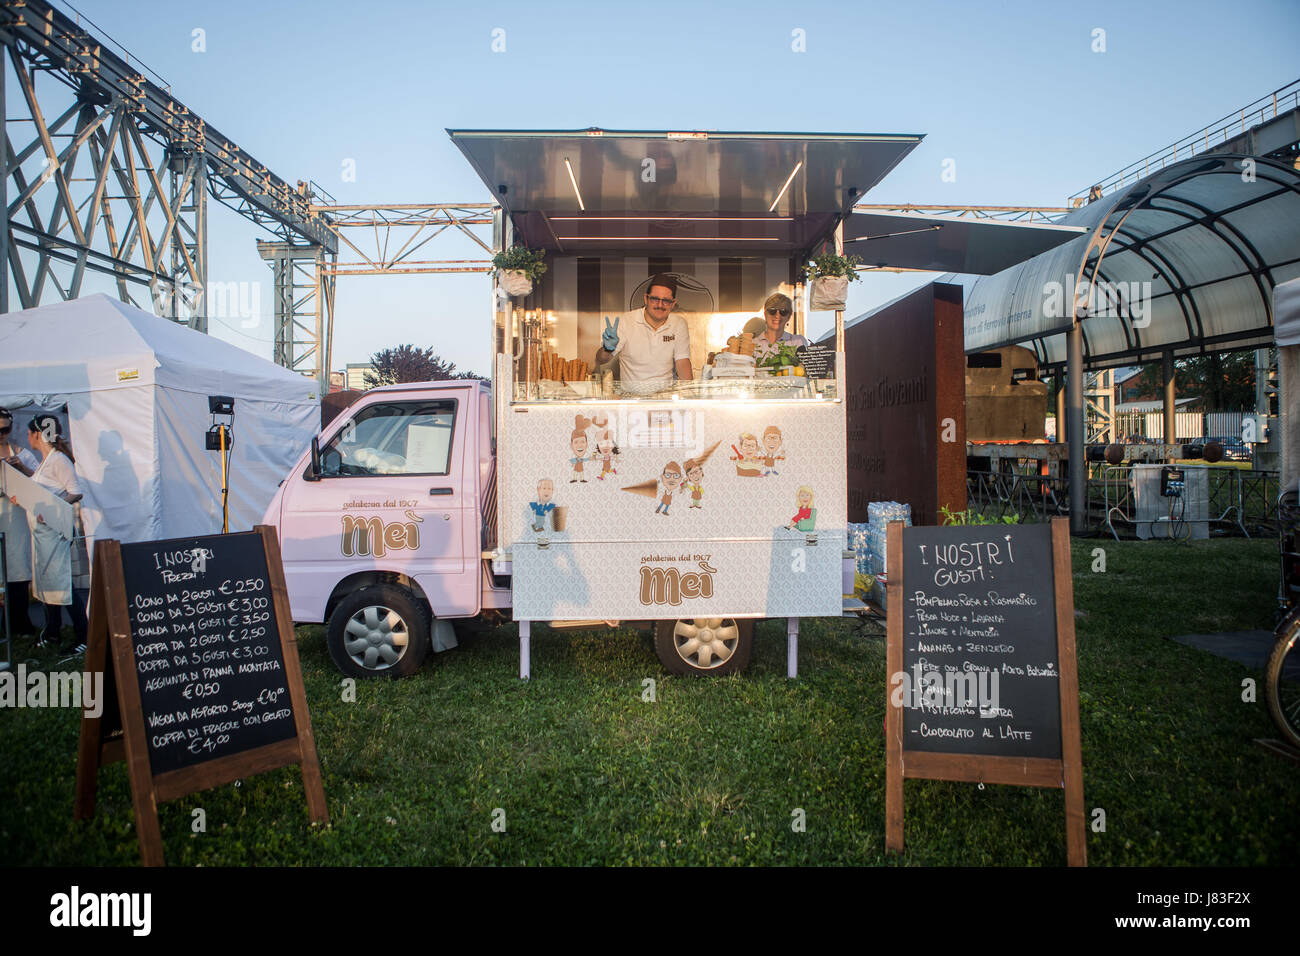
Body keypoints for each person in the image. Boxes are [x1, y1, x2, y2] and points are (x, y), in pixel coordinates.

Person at [13, 415, 87, 653]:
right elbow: (42, 487)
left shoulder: (58, 460)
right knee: (48, 583)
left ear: (37, 434)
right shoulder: (45, 461)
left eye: (28, 433)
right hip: (42, 534)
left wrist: (52, 508)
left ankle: (83, 634)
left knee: (62, 583)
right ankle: (52, 632)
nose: (27, 437)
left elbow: (75, 492)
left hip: (54, 531)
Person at [594, 274, 693, 391]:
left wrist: (690, 395)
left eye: (666, 301)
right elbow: (601, 360)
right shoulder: (626, 321)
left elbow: (682, 362)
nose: (660, 305)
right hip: (631, 399)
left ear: (673, 303)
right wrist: (607, 348)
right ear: (646, 298)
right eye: (655, 299)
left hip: (665, 398)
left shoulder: (679, 324)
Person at [0, 408, 39, 634]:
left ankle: (19, 621)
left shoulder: (21, 453)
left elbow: (41, 482)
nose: (1, 434)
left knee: (17, 567)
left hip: (16, 517)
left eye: (5, 429)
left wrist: (20, 468)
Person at [751, 293, 806, 363]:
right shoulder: (753, 344)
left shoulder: (798, 341)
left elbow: (805, 370)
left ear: (788, 316)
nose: (777, 316)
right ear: (765, 314)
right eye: (772, 311)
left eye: (783, 312)